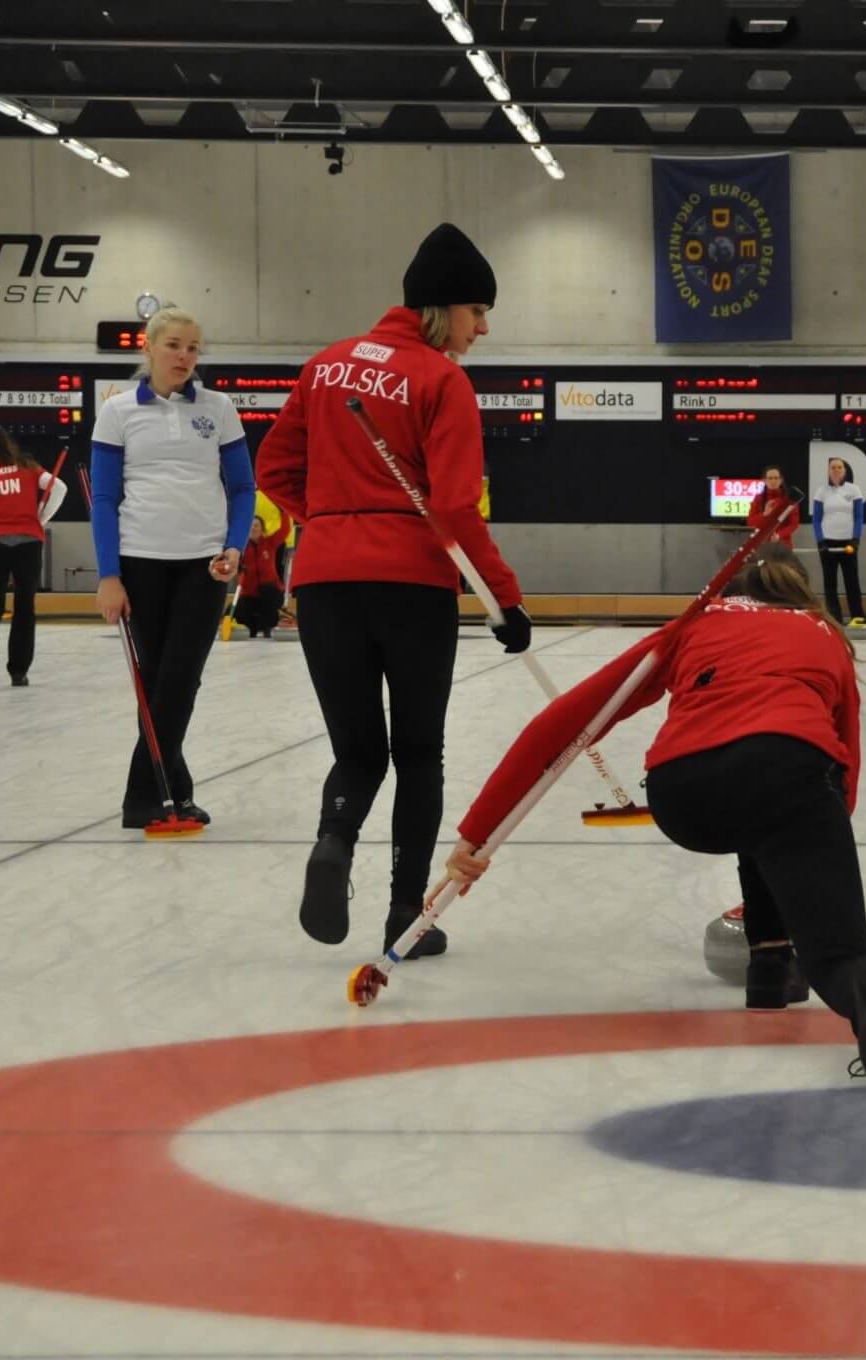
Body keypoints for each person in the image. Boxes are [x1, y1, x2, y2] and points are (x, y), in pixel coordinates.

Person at [432, 543, 866, 1091]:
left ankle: (768, 962)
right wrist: (808, 875)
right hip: (792, 770)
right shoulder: (822, 631)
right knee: (829, 936)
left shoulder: (695, 623)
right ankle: (861, 987)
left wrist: (476, 835)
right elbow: (844, 770)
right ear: (801, 589)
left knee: (758, 807)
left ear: (730, 588)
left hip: (686, 792)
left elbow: (565, 722)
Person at [257, 222, 530, 961]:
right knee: (418, 752)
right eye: (478, 312)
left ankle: (333, 843)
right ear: (445, 308)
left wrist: (335, 522)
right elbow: (452, 508)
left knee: (356, 752)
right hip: (411, 586)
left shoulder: (325, 367)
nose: (484, 327)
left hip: (324, 584)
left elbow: (273, 471)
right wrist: (505, 601)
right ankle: (405, 914)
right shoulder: (443, 380)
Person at [89, 307, 255, 829]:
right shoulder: (116, 413)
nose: (185, 356)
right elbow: (104, 499)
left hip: (204, 565)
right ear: (150, 348)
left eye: (194, 348)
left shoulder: (219, 408)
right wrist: (109, 575)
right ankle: (175, 791)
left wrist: (234, 547)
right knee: (158, 682)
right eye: (175, 345)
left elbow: (243, 487)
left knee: (180, 681)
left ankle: (141, 798)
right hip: (140, 564)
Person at [0, 429, 67, 690]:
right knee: (25, 608)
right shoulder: (29, 468)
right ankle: (18, 671)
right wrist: (40, 517)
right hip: (28, 542)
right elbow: (60, 487)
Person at [813, 456, 866, 627]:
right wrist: (820, 541)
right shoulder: (821, 491)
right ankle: (835, 619)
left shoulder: (854, 490)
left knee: (852, 581)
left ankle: (858, 617)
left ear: (844, 470)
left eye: (839, 467)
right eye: (833, 467)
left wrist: (856, 540)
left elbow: (858, 518)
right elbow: (816, 520)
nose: (836, 470)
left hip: (848, 543)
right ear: (829, 471)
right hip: (827, 543)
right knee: (830, 583)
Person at [232, 515, 286, 638]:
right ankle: (253, 627)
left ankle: (268, 626)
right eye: (251, 525)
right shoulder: (241, 547)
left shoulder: (270, 543)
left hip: (271, 594)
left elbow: (285, 530)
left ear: (262, 529)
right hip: (249, 594)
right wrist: (237, 566)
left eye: (256, 525)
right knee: (239, 608)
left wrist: (283, 512)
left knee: (268, 590)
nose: (253, 528)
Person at [747, 464, 801, 546]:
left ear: (781, 480)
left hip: (784, 545)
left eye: (776, 478)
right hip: (761, 545)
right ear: (764, 480)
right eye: (770, 478)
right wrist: (764, 514)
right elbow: (750, 522)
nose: (773, 481)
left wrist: (779, 535)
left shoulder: (790, 500)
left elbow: (793, 524)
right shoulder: (758, 499)